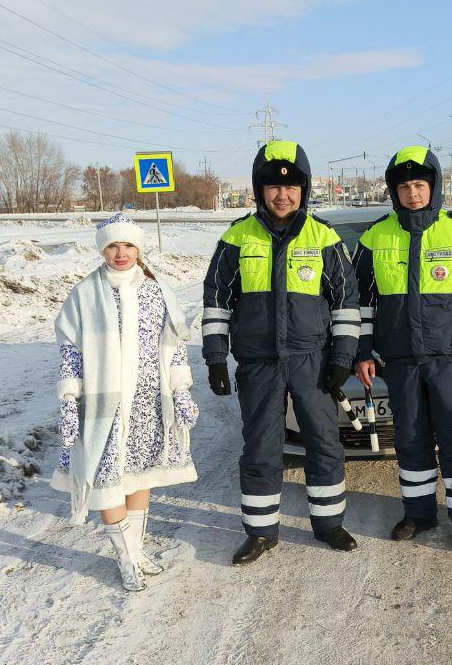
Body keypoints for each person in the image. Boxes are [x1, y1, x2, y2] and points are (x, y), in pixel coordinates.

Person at [201, 140, 359, 564]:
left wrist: (342, 359)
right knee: (260, 448)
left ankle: (329, 524)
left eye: (291, 188)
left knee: (324, 444)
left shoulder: (324, 236)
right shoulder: (236, 237)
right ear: (259, 189)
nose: (282, 195)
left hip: (313, 360)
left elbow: (347, 303)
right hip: (259, 363)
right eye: (272, 187)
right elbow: (216, 300)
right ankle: (260, 532)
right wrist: (216, 356)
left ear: (304, 190)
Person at [353, 147, 452, 552]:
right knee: (410, 439)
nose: (413, 193)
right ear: (393, 191)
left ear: (433, 187)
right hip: (399, 362)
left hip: (451, 360)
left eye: (420, 185)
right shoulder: (374, 237)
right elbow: (361, 304)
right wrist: (363, 351)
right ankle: (418, 513)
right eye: (404, 187)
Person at [51, 212, 199, 592]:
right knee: (106, 480)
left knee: (139, 476)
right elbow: (71, 350)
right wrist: (69, 398)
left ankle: (137, 550)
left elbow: (174, 346)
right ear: (103, 249)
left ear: (139, 248)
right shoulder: (85, 294)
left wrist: (180, 391)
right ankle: (125, 559)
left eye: (128, 245)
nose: (121, 253)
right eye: (113, 245)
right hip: (103, 406)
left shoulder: (157, 290)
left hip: (148, 401)